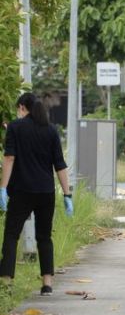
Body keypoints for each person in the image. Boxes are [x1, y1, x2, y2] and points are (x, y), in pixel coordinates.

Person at [0, 93, 72, 296]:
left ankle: (6, 282)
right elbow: (60, 165)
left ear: (22, 107)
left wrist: (2, 188)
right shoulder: (50, 130)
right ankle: (47, 283)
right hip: (45, 192)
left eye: (18, 108)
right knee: (44, 237)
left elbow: (10, 158)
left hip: (21, 191)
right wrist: (67, 195)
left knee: (11, 235)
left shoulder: (15, 127)